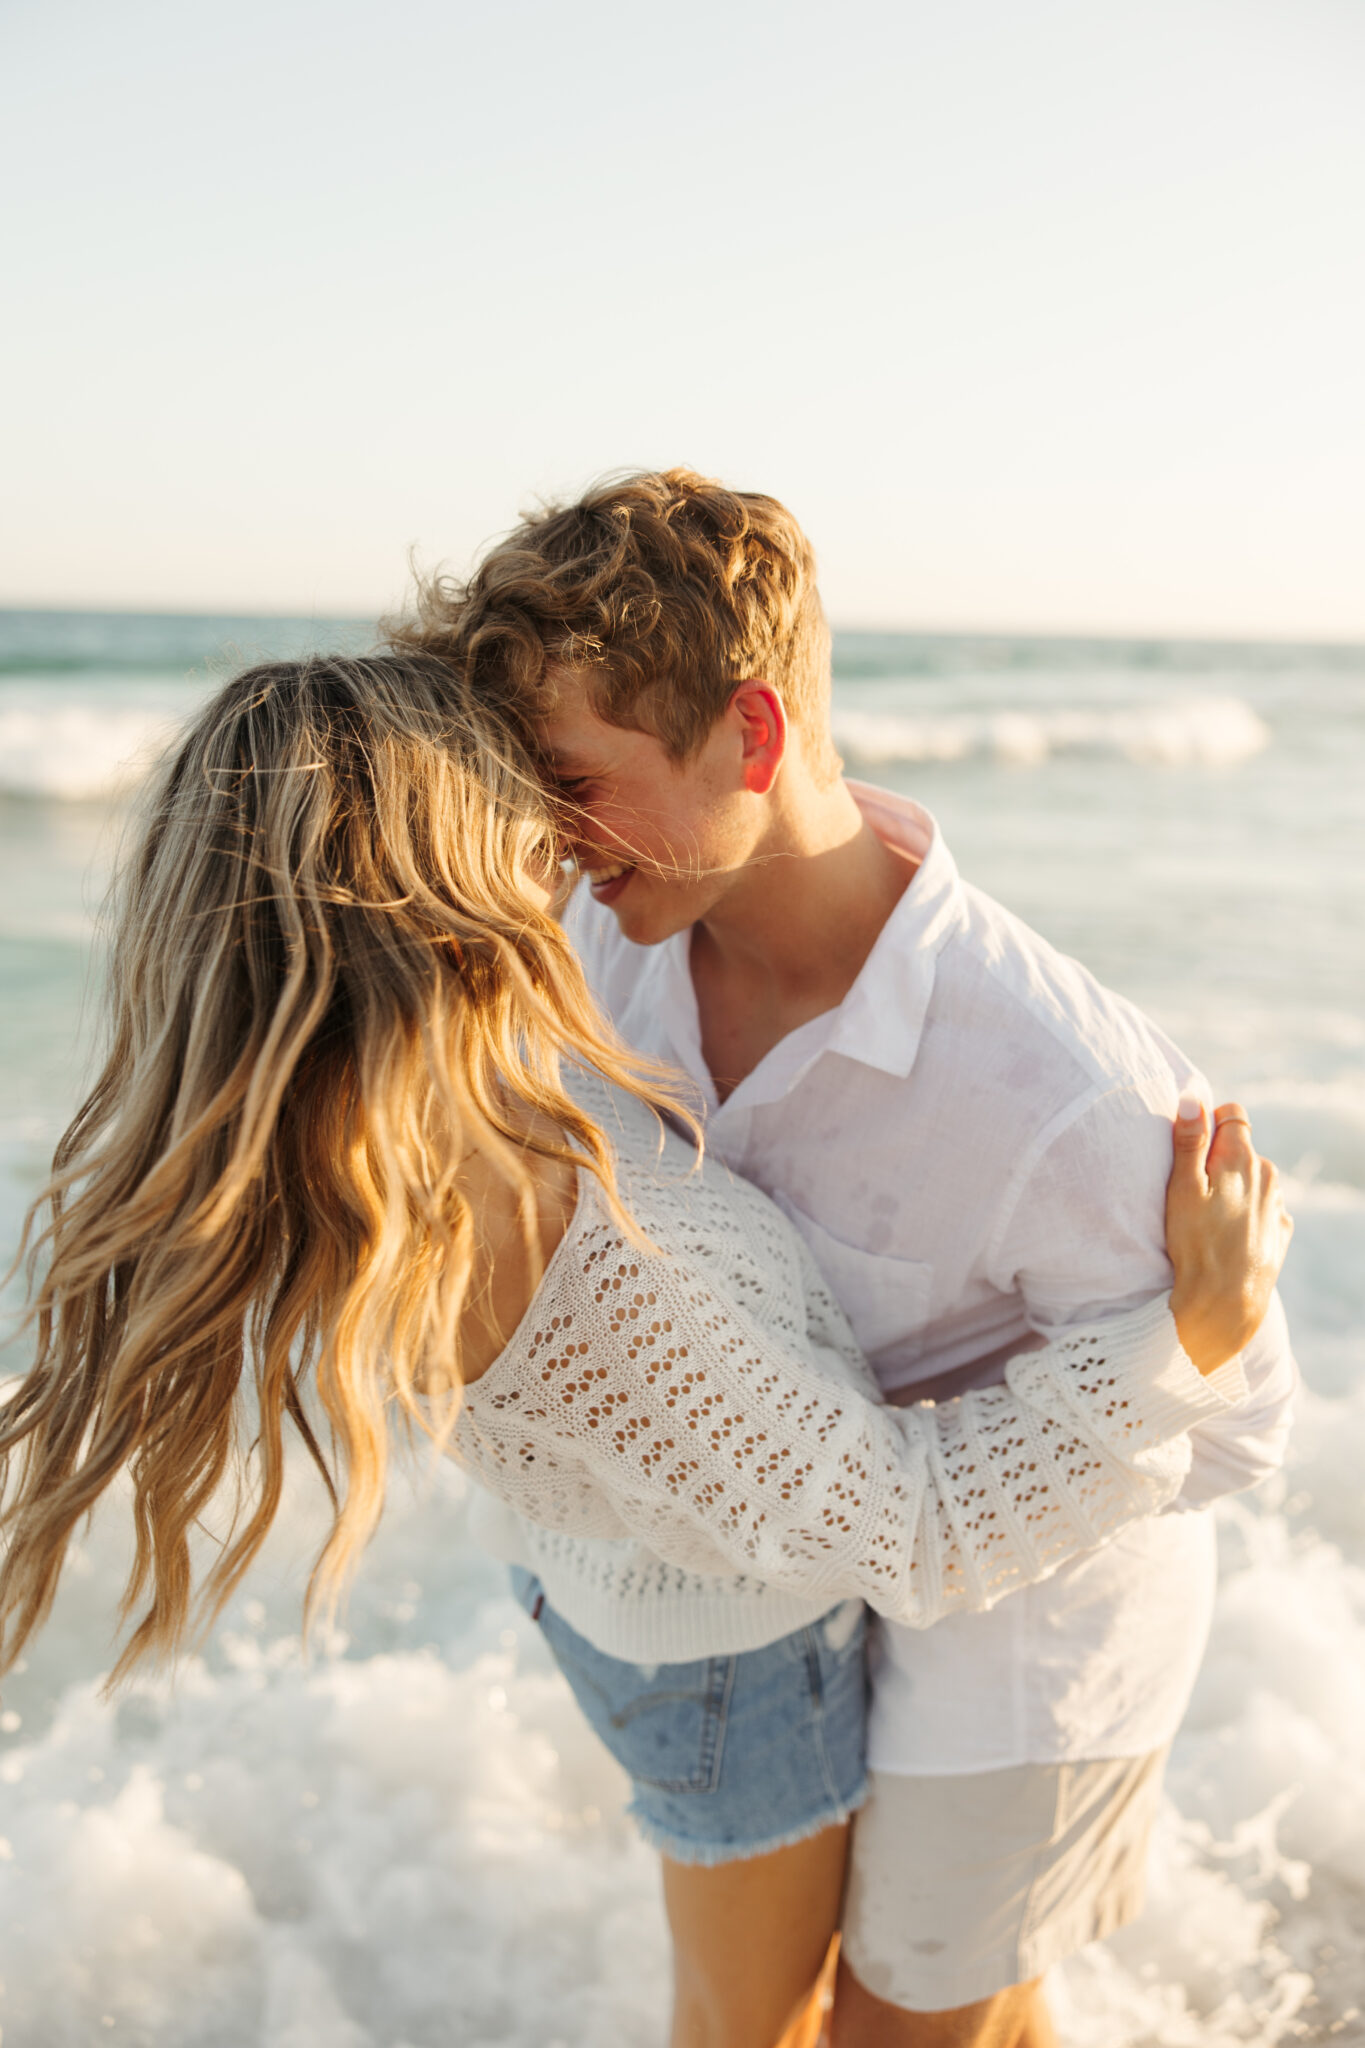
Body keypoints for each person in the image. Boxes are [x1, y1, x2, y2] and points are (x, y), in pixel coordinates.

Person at [0, 654, 1286, 2048]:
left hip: (624, 1604)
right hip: (735, 1667)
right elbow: (914, 1527)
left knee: (934, 1992)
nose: (563, 833)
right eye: (520, 803)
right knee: (755, 2030)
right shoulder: (556, 1238)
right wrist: (1185, 1340)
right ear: (429, 887)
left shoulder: (395, 1116)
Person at [391, 471, 1300, 2048]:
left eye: (572, 777)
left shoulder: (1060, 1087)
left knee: (912, 2027)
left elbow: (1233, 1413)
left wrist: (941, 1495)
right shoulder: (607, 933)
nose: (542, 832)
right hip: (810, 1573)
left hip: (1030, 1618)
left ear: (749, 736)